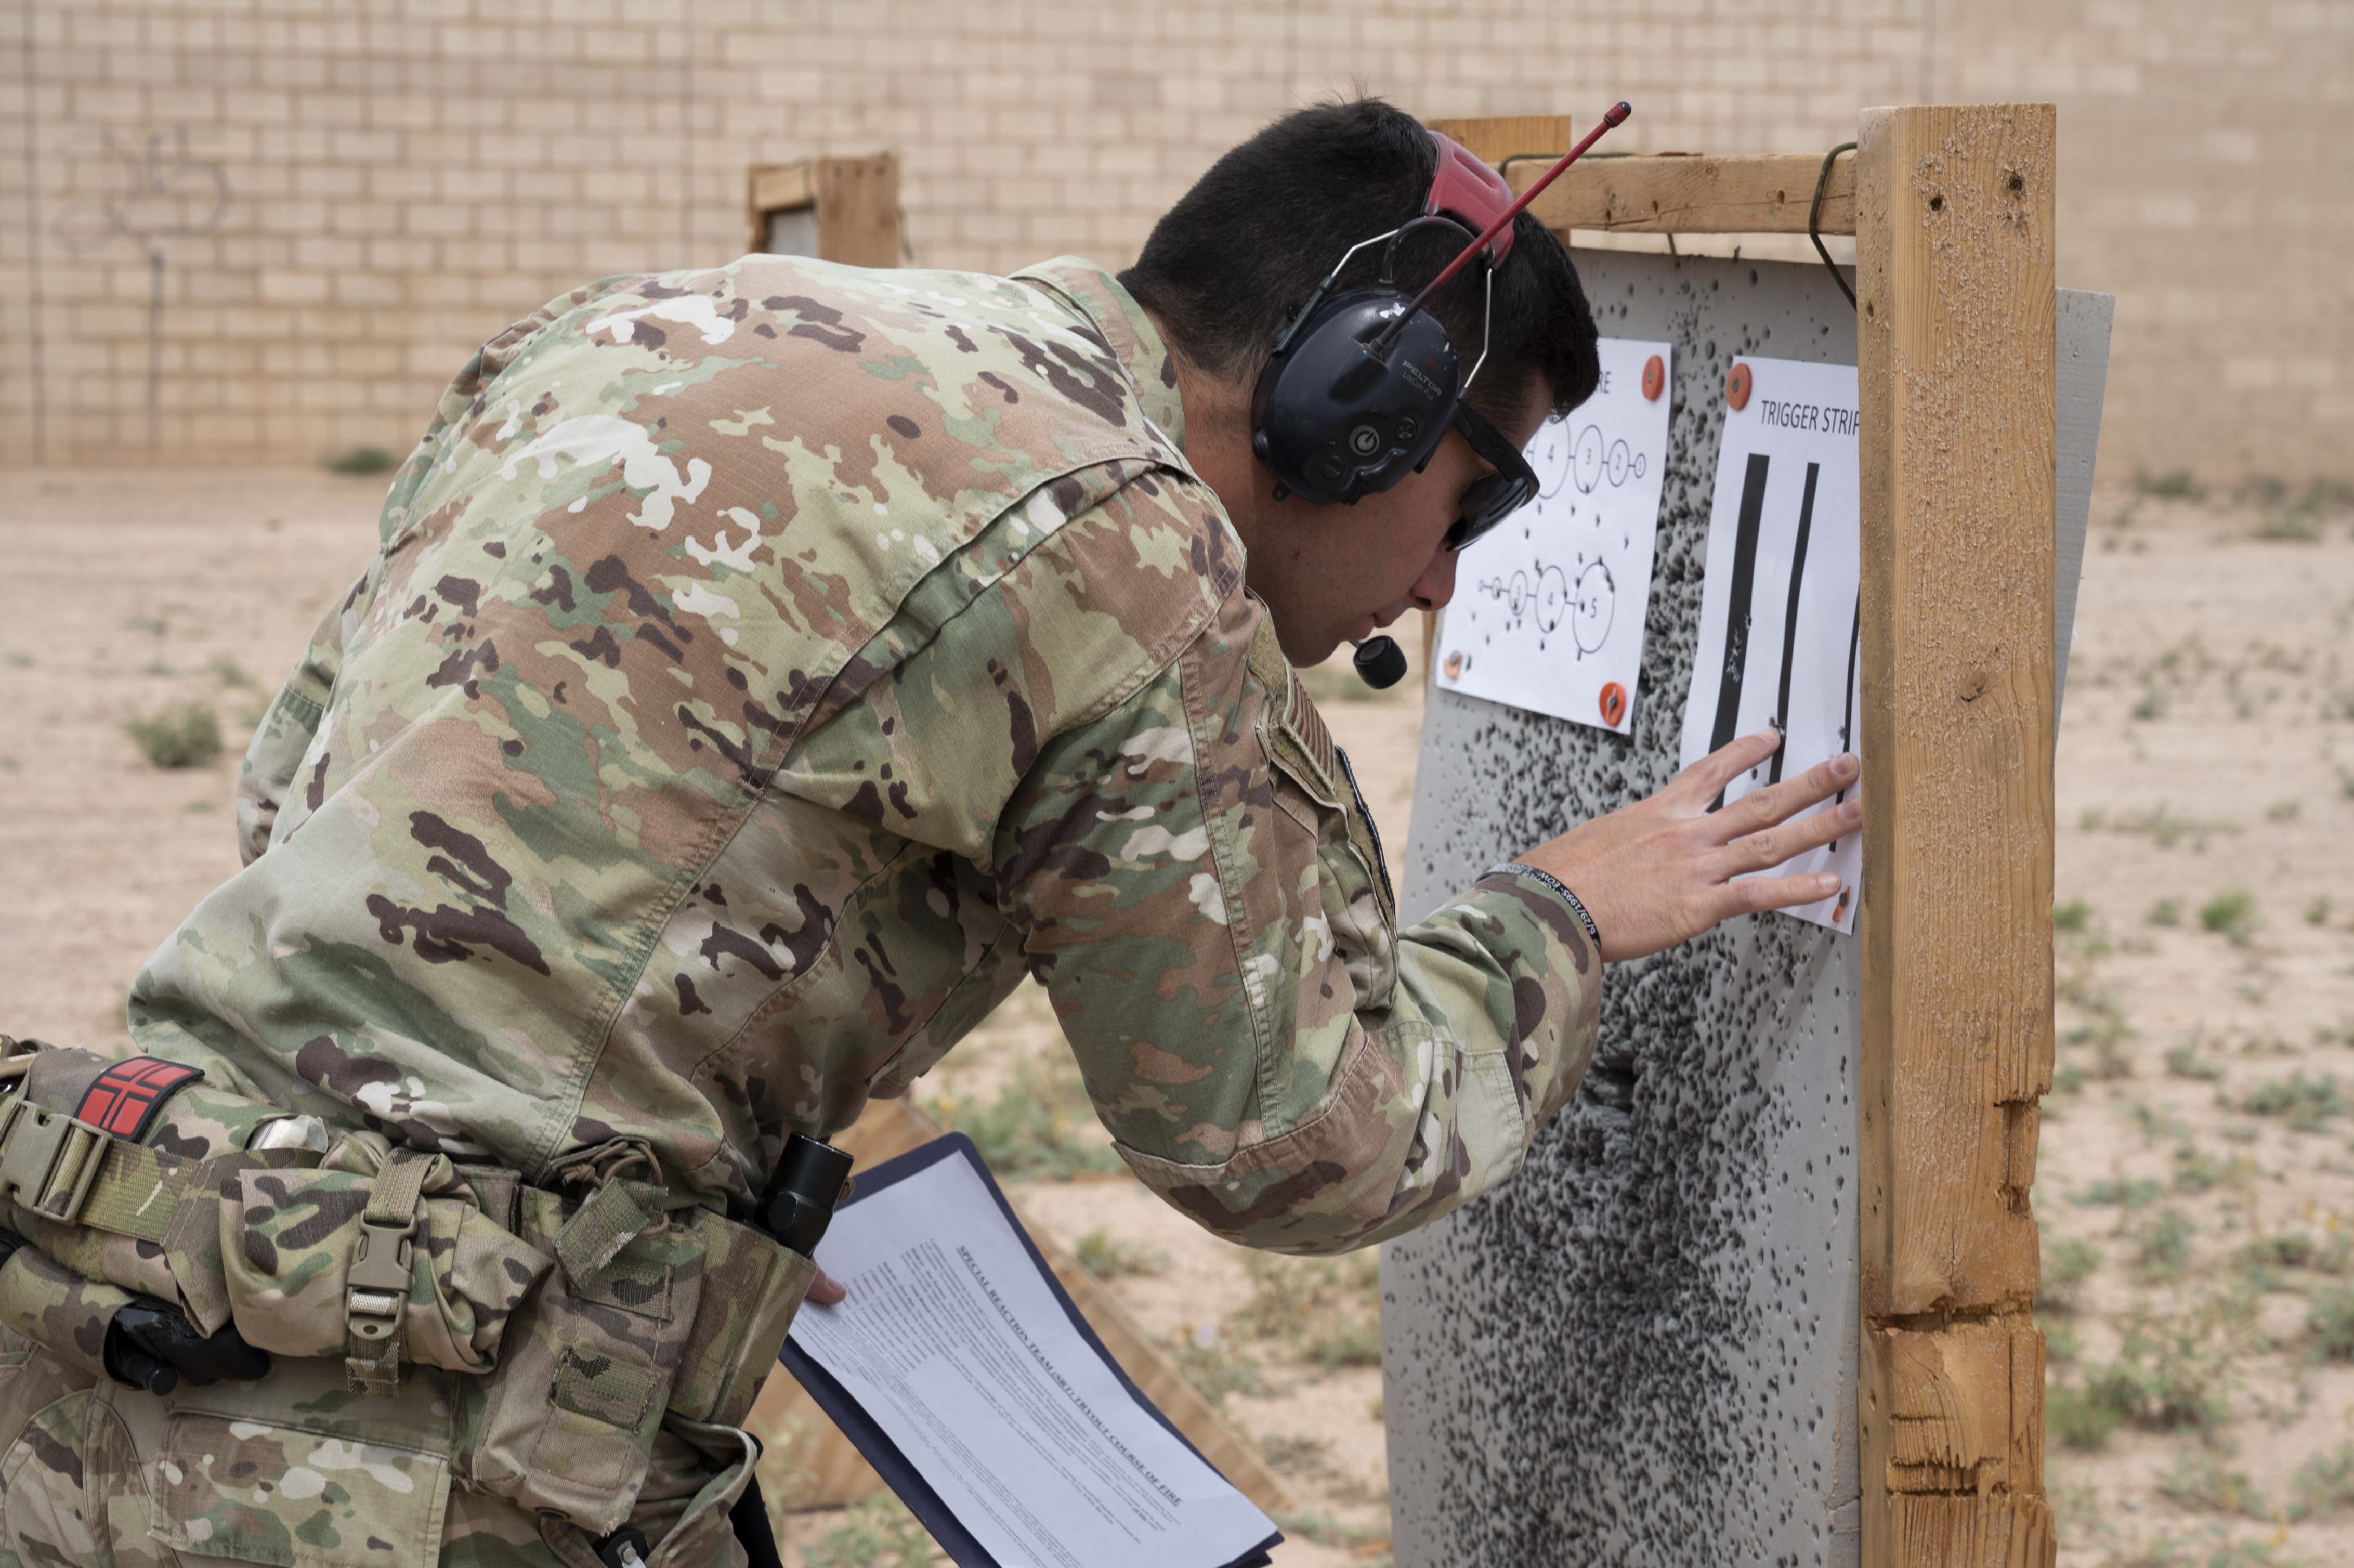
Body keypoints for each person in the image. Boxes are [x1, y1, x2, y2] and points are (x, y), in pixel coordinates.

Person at [0, 99, 1856, 1565]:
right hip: (397, 1453)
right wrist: (1561, 916)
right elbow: (1299, 1141)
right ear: (1355, 409)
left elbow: (297, 780)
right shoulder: (1128, 549)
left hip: (109, 1305)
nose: (1450, 584)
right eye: (1474, 498)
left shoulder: (652, 320)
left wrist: (657, 1164)